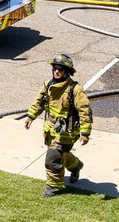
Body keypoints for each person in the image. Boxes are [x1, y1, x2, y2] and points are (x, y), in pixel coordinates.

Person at [24, 53, 93, 197]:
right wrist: (30, 116)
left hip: (67, 133)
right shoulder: (48, 84)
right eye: (55, 68)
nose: (57, 71)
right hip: (50, 130)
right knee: (62, 156)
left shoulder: (75, 90)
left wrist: (85, 134)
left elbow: (85, 111)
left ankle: (54, 188)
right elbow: (39, 102)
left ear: (67, 71)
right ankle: (76, 166)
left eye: (60, 69)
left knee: (53, 159)